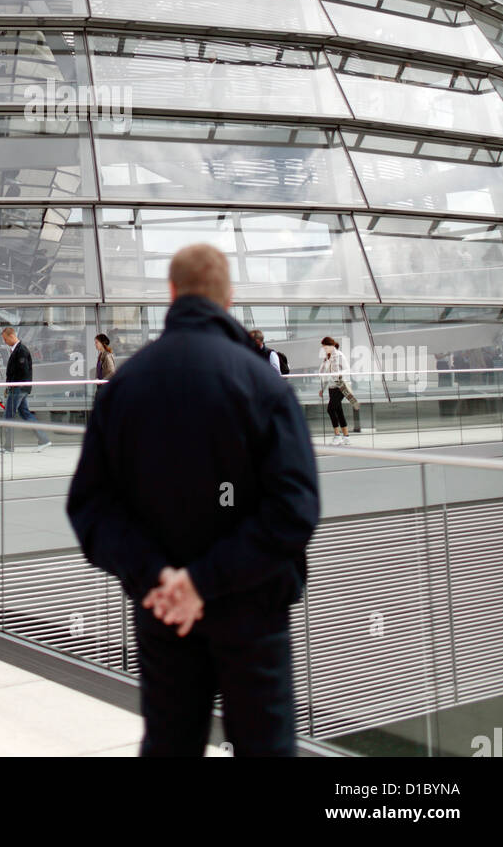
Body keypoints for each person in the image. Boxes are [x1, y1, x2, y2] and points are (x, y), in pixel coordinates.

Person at [67, 243, 320, 758]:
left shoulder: (125, 386)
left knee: (169, 743)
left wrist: (161, 577)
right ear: (227, 297)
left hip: (162, 611)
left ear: (172, 293)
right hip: (254, 608)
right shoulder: (262, 384)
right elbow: (294, 508)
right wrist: (205, 580)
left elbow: (89, 507)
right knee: (266, 745)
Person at [0, 327, 51, 452]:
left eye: (5, 339)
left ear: (11, 336)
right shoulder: (18, 350)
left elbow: (22, 372)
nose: (5, 342)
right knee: (25, 413)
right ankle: (44, 439)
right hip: (19, 387)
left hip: (18, 388)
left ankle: (8, 447)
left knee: (8, 416)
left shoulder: (21, 350)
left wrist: (12, 385)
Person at [318, 336, 355, 446]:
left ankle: (337, 436)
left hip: (341, 385)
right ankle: (346, 437)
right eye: (323, 348)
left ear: (330, 346)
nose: (324, 349)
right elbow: (325, 374)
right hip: (331, 387)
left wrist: (339, 375)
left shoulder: (339, 355)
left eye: (325, 347)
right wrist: (323, 389)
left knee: (330, 409)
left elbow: (347, 369)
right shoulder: (327, 358)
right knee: (338, 410)